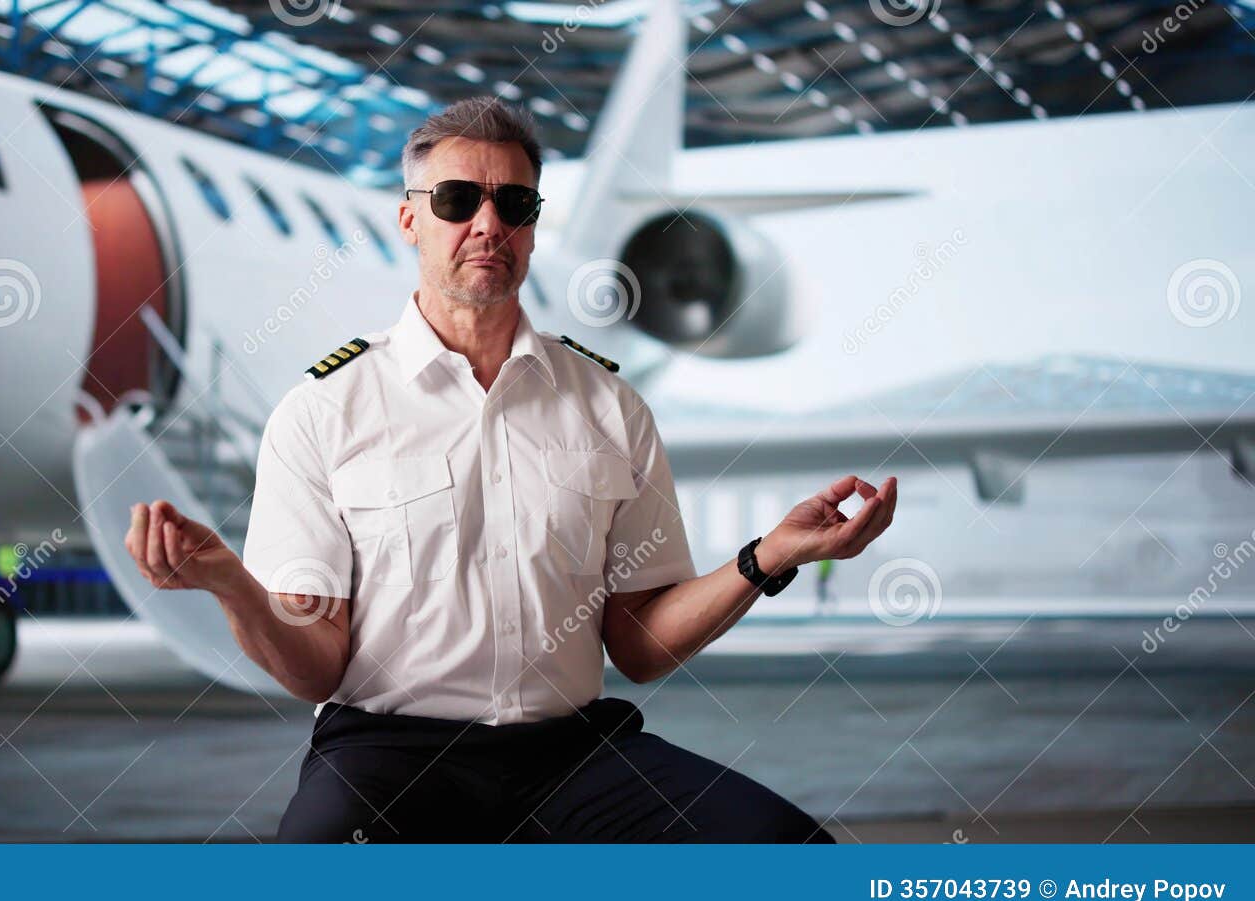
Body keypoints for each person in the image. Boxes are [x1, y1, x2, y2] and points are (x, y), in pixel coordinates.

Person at [124, 96, 897, 842]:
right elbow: (315, 668)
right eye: (457, 200)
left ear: (531, 228)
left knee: (787, 855)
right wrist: (234, 584)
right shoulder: (323, 409)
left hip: (572, 755)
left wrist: (769, 557)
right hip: (388, 756)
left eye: (515, 204)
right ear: (409, 220)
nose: (487, 224)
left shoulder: (610, 406)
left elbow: (637, 646)